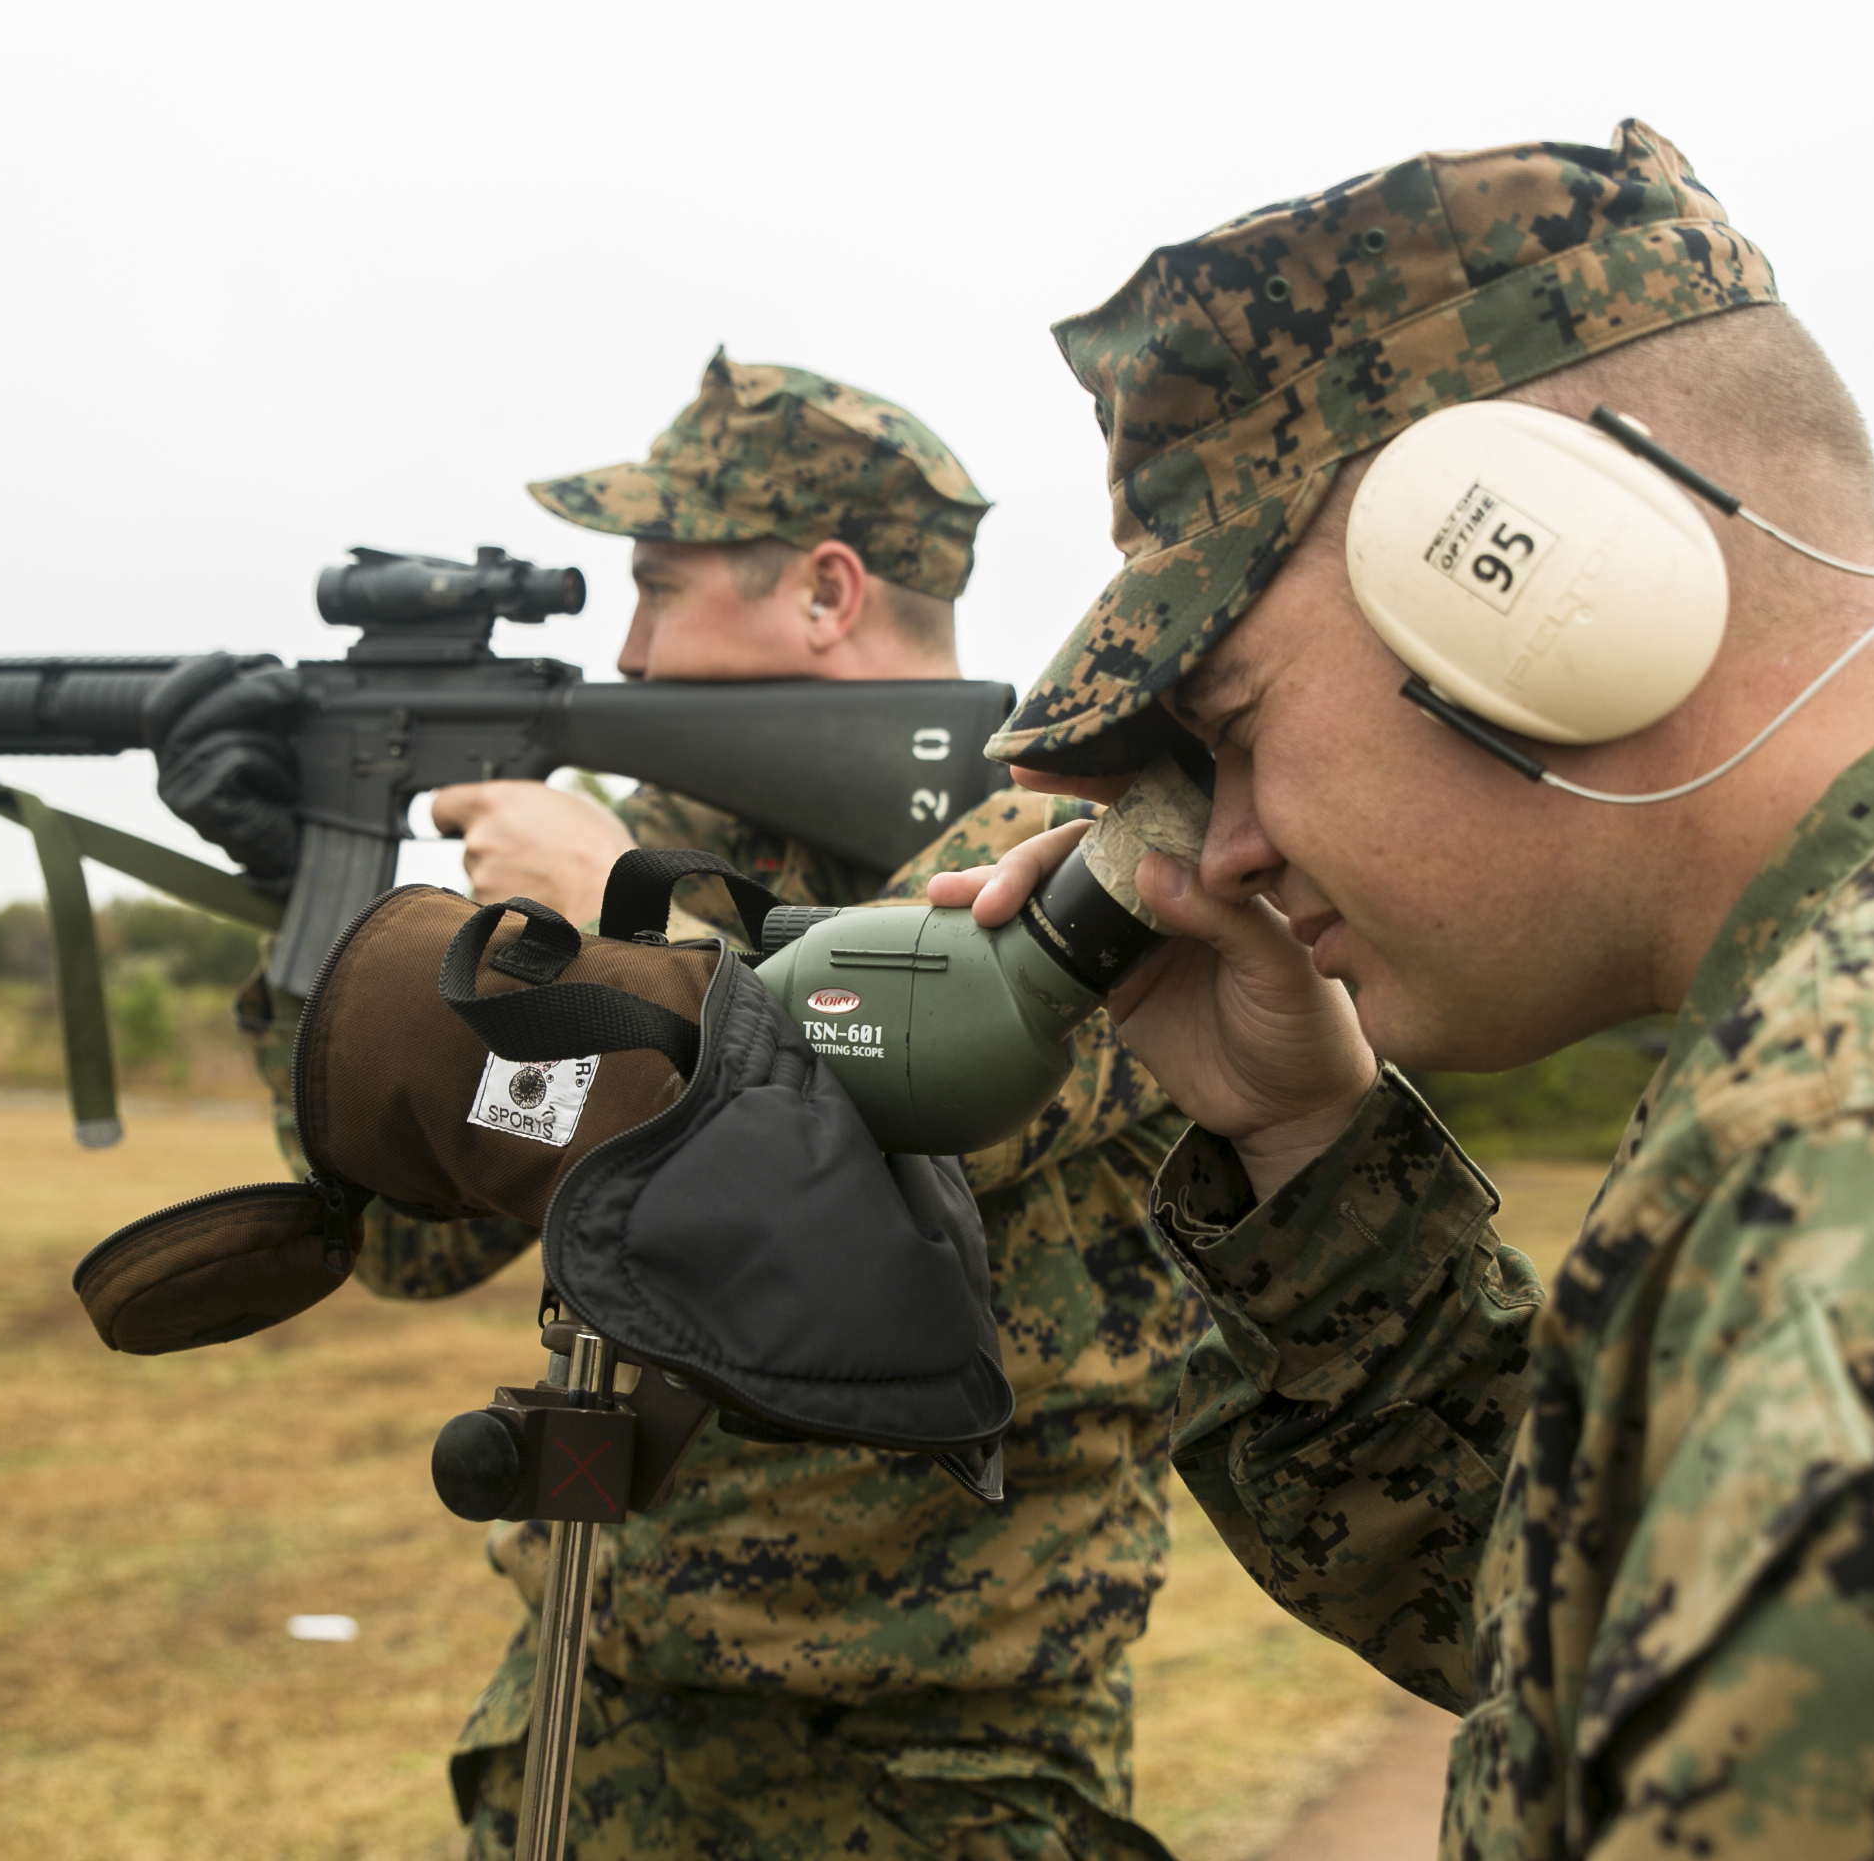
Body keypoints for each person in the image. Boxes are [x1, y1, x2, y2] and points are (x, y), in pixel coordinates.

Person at [930, 122, 1874, 1858]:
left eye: (1236, 734)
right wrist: (1306, 1148)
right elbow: (1605, 1606)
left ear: (1521, 574)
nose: (1234, 849)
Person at [174, 351, 1205, 1859]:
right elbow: (412, 1246)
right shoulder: (663, 845)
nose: (633, 655)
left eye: (658, 587)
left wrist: (617, 924)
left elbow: (871, 1123)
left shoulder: (1088, 855)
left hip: (932, 1757)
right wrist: (312, 912)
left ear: (828, 593)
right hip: (599, 1710)